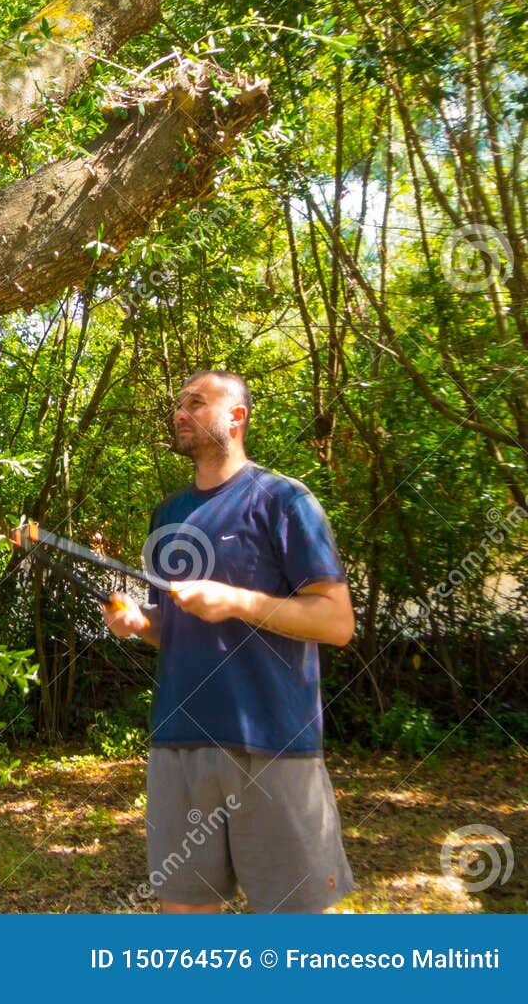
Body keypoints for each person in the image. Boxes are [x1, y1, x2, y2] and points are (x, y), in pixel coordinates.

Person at [101, 370, 357, 913]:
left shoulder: (284, 500)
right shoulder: (168, 515)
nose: (180, 411)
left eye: (196, 401)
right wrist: (139, 623)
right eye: (178, 404)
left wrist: (237, 600)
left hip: (272, 744)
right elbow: (176, 629)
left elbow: (337, 622)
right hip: (179, 746)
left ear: (236, 416)